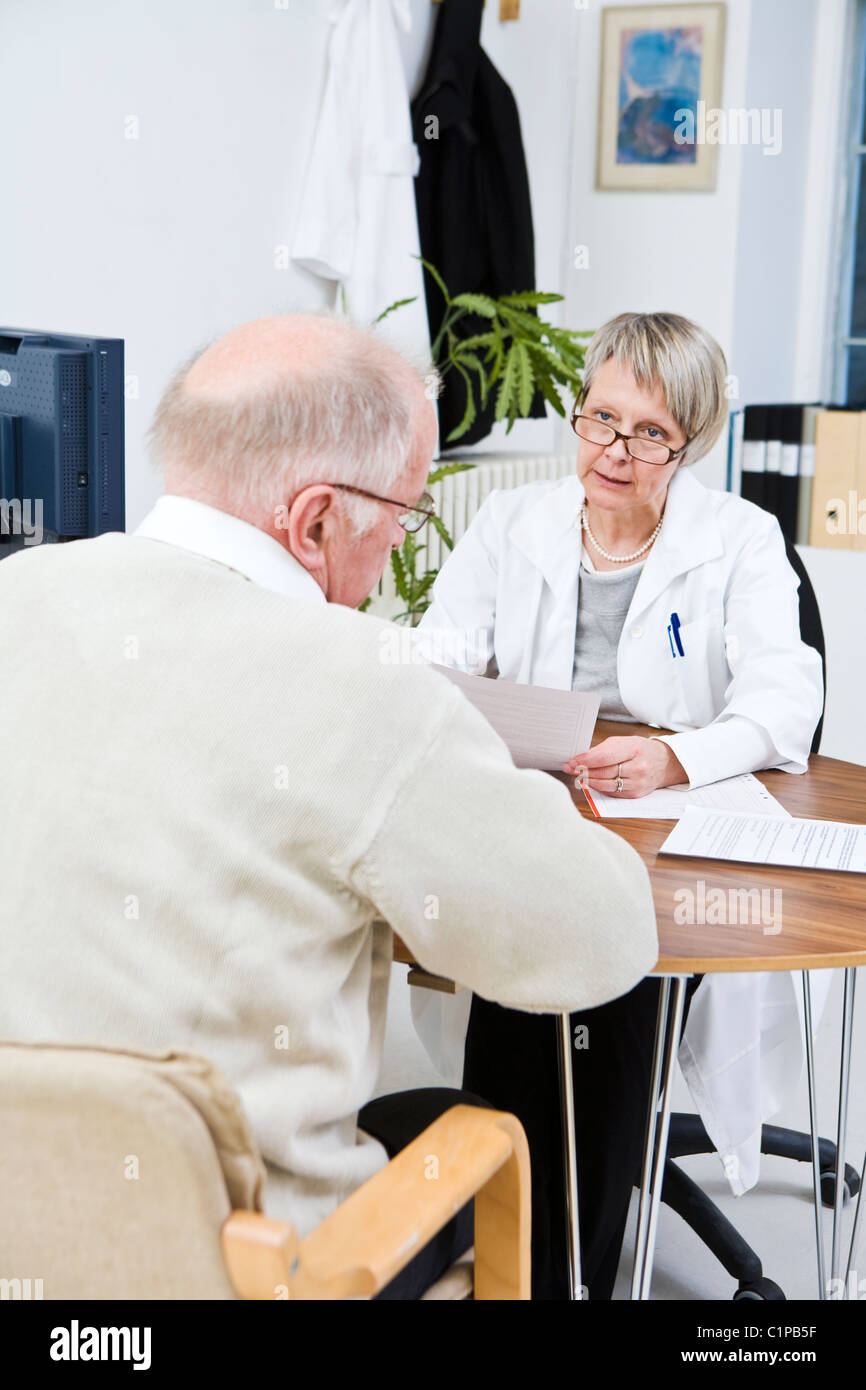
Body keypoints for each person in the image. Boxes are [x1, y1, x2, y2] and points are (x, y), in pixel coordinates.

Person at [0, 313, 658, 1299]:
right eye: (403, 516)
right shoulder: (363, 682)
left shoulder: (20, 590)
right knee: (466, 1119)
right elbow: (598, 942)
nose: (399, 543)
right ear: (313, 520)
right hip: (253, 1266)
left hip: (26, 1244)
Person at [418, 311, 824, 1299]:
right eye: (600, 419)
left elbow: (783, 703)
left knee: (600, 1004)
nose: (614, 451)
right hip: (530, 803)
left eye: (648, 434)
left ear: (688, 442)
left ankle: (569, 1268)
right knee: (512, 1004)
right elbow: (437, 652)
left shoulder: (739, 539)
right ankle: (506, 1250)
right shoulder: (510, 524)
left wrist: (672, 756)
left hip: (662, 824)